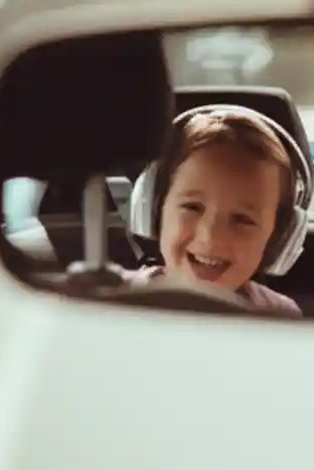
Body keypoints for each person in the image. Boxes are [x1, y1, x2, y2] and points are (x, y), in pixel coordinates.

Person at [126, 106, 304, 318]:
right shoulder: (116, 305)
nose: (211, 236)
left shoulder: (279, 319)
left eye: (242, 219)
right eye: (192, 207)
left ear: (278, 238)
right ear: (155, 209)